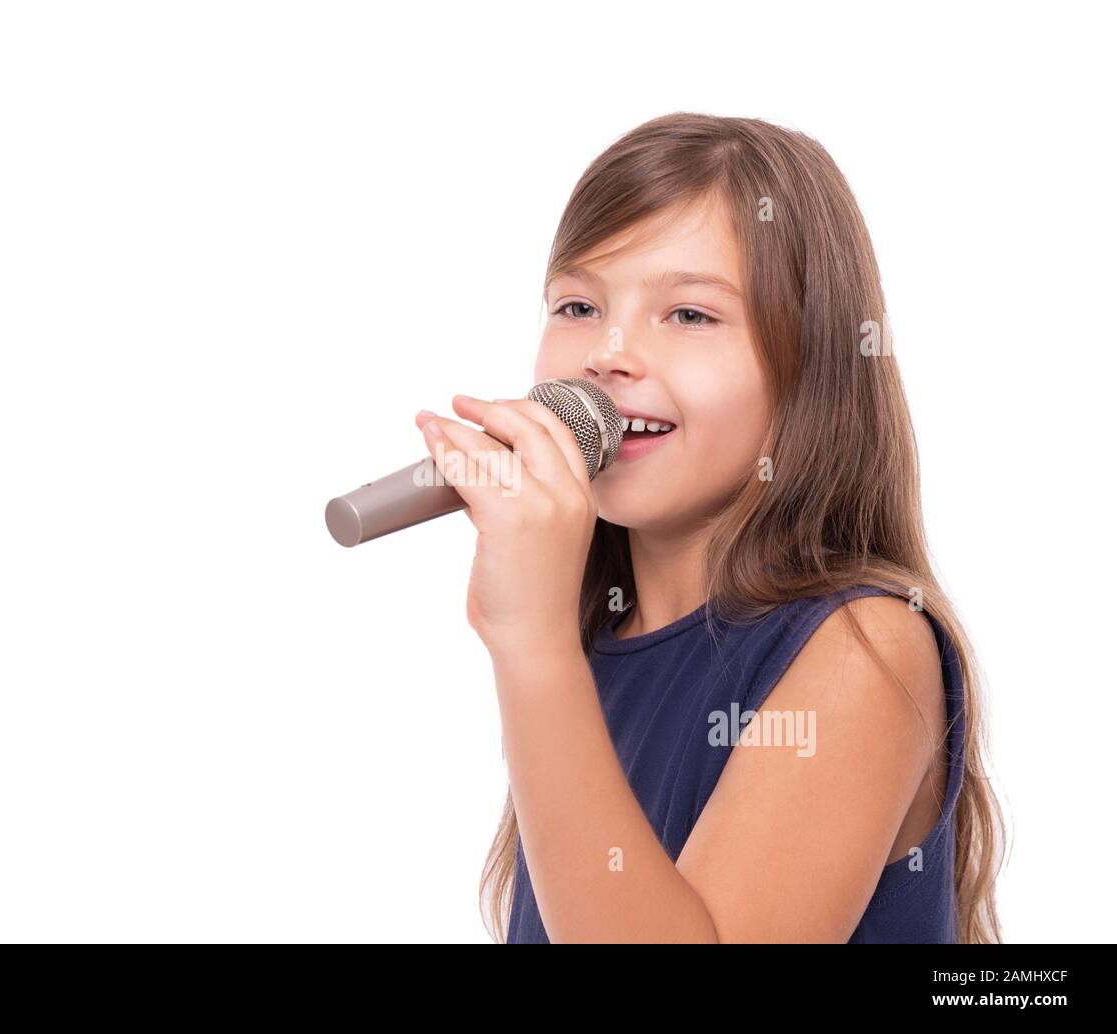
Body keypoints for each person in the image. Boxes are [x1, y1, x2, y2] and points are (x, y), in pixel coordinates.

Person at [413, 112, 1004, 943]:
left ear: (810, 370)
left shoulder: (865, 648)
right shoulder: (593, 643)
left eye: (689, 315)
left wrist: (533, 643)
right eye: (579, 304)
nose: (608, 354)